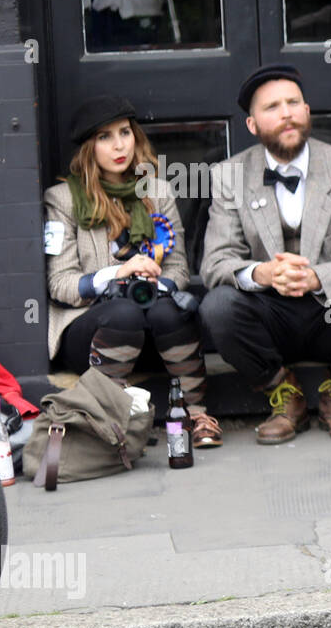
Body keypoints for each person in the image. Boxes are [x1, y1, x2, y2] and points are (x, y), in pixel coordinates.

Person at [199, 64, 331, 444]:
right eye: (272, 106)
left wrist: (318, 277)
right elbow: (216, 262)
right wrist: (262, 274)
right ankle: (283, 394)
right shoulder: (228, 176)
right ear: (253, 125)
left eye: (293, 102)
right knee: (217, 305)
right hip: (269, 317)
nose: (286, 112)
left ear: (307, 111)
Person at [43, 95, 221, 446]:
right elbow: (60, 284)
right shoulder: (62, 199)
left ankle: (198, 416)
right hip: (91, 326)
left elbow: (179, 269)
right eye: (105, 137)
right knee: (123, 311)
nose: (119, 145)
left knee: (171, 310)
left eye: (125, 132)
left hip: (153, 326)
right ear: (88, 147)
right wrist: (117, 275)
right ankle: (116, 422)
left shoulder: (157, 191)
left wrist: (156, 282)